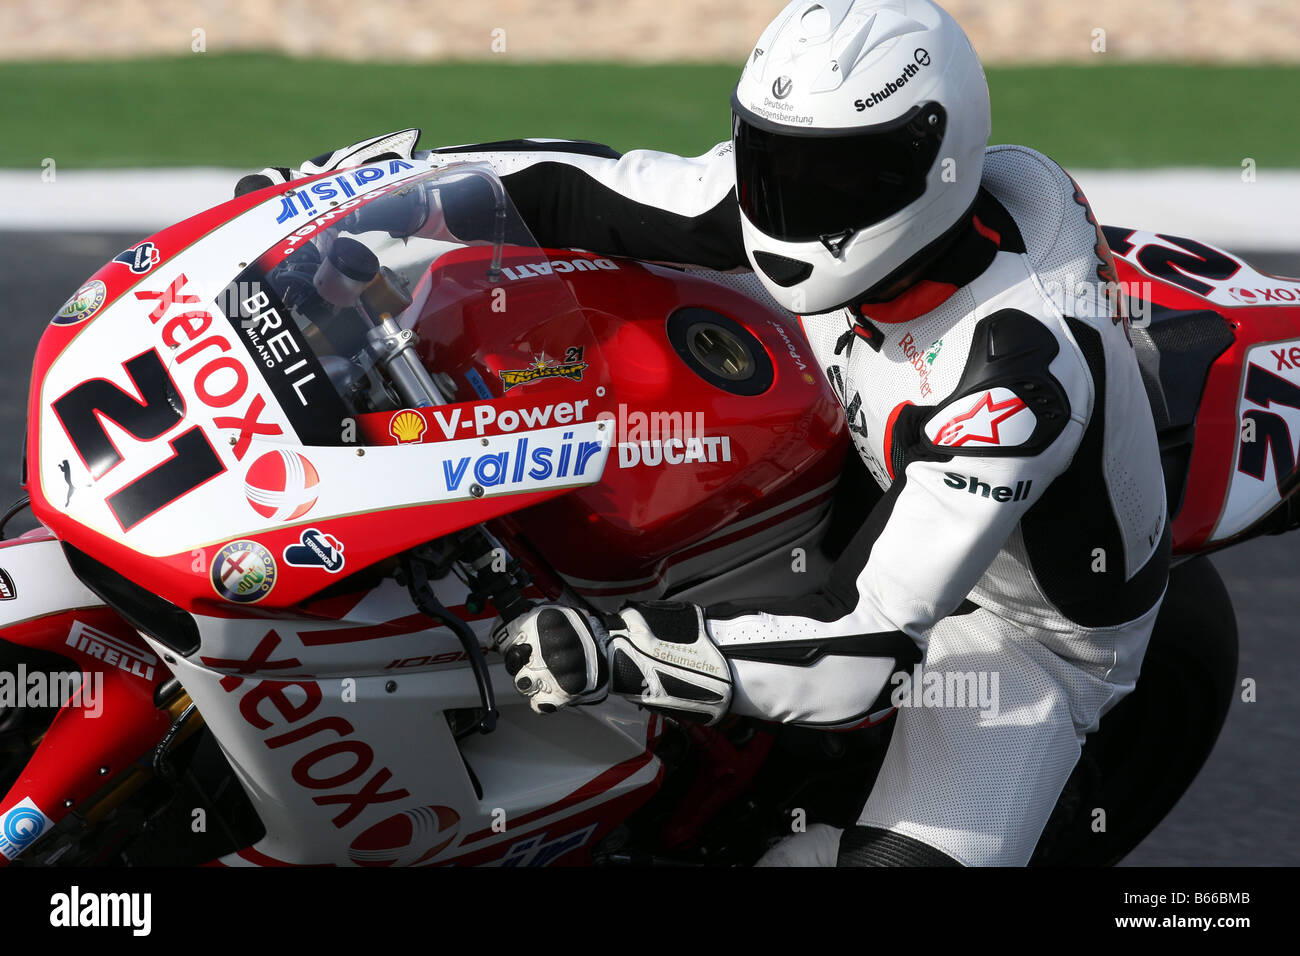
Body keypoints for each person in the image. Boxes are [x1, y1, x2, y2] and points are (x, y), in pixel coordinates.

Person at [241, 0, 1170, 866]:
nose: (786, 200)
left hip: (1013, 627)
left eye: (834, 177)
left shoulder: (1013, 381)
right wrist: (374, 192)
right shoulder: (830, 199)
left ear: (934, 165)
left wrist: (622, 654)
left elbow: (869, 645)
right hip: (872, 441)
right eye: (772, 160)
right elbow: (582, 185)